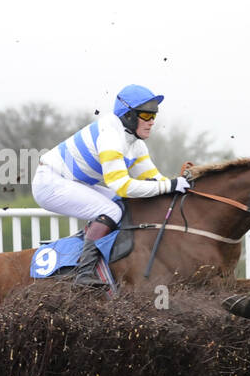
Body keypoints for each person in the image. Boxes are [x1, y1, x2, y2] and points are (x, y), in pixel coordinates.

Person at [32, 84, 192, 284]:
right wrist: (170, 185)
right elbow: (123, 186)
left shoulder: (136, 144)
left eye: (154, 116)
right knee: (112, 211)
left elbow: (154, 181)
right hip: (50, 182)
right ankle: (84, 273)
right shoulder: (110, 134)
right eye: (146, 116)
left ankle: (91, 256)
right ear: (128, 115)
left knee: (122, 206)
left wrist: (183, 185)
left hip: (73, 182)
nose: (152, 122)